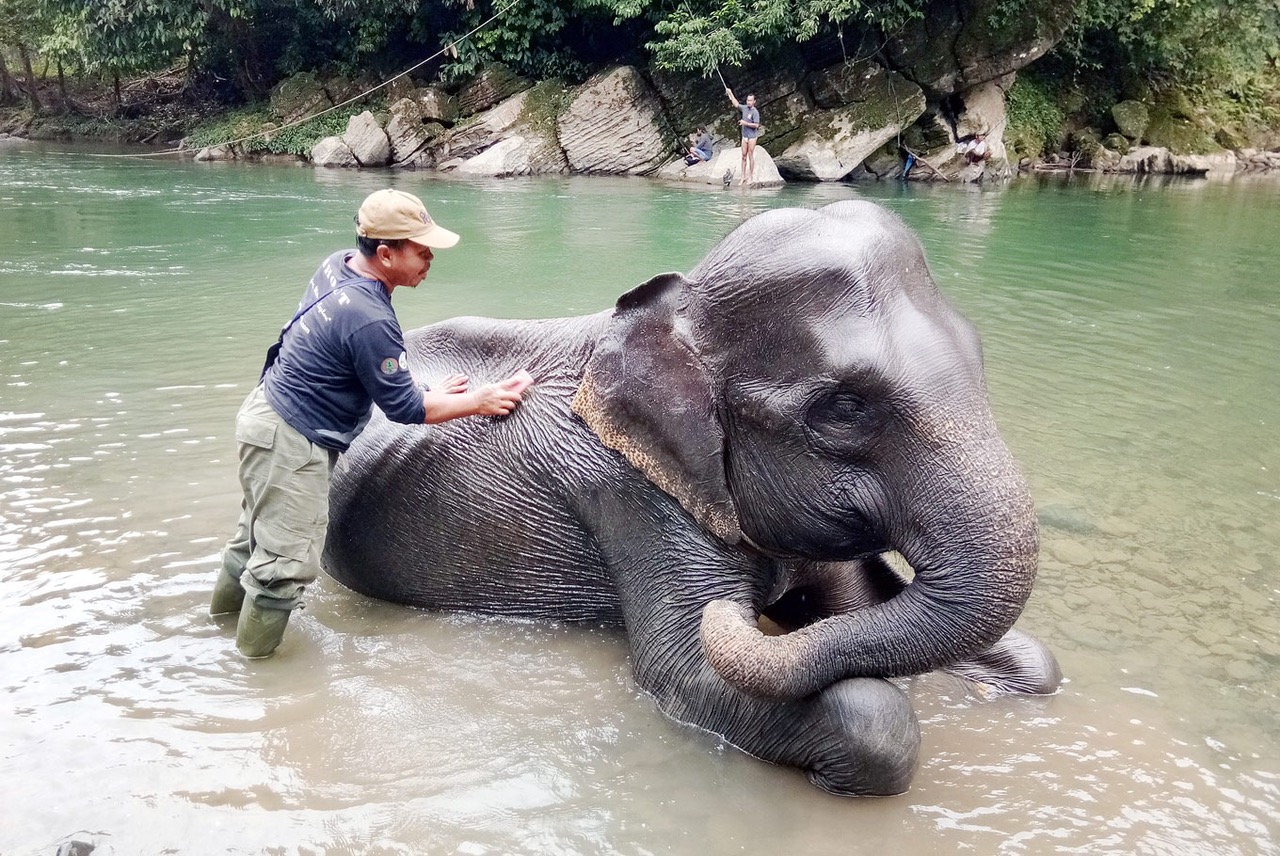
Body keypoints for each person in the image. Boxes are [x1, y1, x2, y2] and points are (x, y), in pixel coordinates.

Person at [209, 188, 531, 658]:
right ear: (386, 253)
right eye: (421, 251)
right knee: (284, 568)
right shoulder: (369, 317)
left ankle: (216, 632)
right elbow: (404, 410)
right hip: (292, 440)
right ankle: (254, 673)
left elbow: (362, 368)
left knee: (253, 539)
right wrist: (479, 400)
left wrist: (429, 392)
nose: (429, 260)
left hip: (266, 414)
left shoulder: (339, 263)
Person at [724, 88, 760, 185]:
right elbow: (736, 104)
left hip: (752, 136)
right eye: (748, 100)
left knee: (750, 155)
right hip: (745, 136)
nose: (749, 102)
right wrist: (730, 93)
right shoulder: (744, 108)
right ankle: (743, 176)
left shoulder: (755, 112)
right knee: (743, 156)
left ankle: (751, 176)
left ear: (754, 102)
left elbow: (756, 125)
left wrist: (745, 123)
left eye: (751, 100)